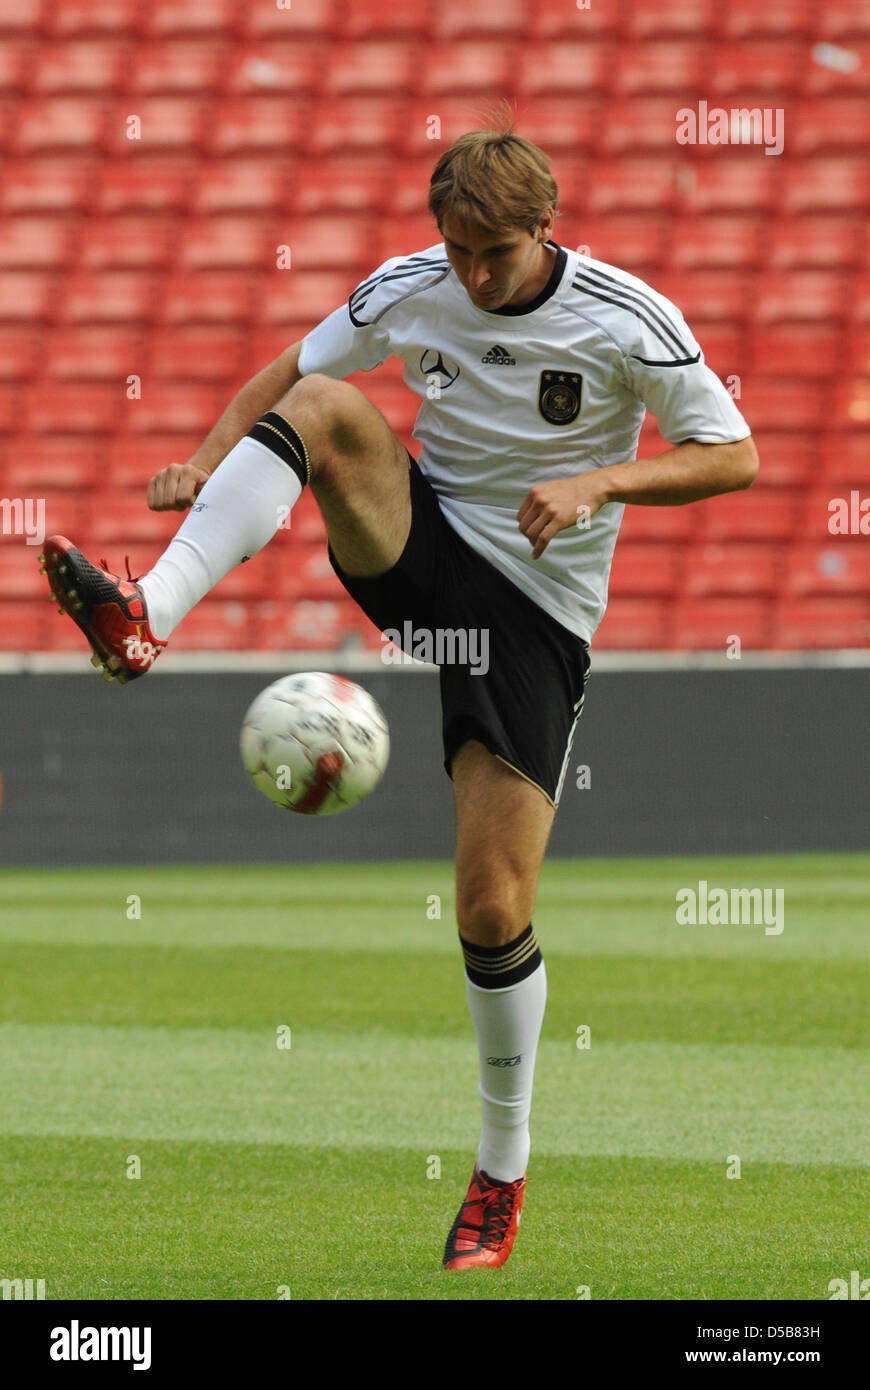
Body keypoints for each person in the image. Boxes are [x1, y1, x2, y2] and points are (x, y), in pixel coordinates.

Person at [41, 122, 758, 1271]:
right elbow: (292, 368)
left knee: (489, 906)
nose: (471, 275)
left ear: (545, 230)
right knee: (328, 404)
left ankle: (500, 1173)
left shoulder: (629, 318)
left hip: (534, 618)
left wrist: (601, 479)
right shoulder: (412, 287)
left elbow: (734, 453)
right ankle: (147, 616)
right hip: (425, 553)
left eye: (495, 255)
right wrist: (205, 459)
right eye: (456, 249)